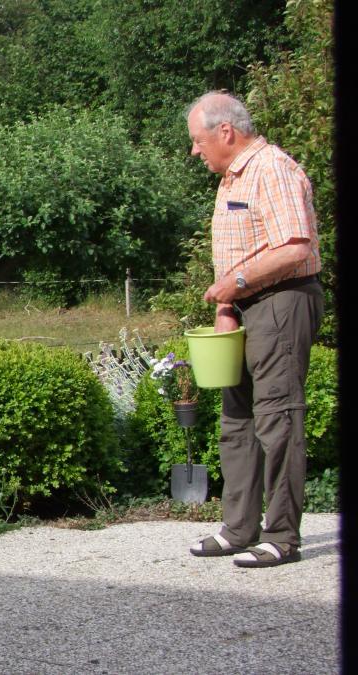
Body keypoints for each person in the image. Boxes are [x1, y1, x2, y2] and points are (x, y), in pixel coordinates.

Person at [184, 91, 323, 568]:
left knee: (278, 418)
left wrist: (234, 284)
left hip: (281, 303)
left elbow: (295, 247)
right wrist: (227, 303)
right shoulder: (231, 177)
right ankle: (239, 528)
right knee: (236, 419)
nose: (195, 151)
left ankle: (282, 535)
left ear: (226, 132)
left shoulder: (272, 169)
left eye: (198, 141)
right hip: (245, 305)